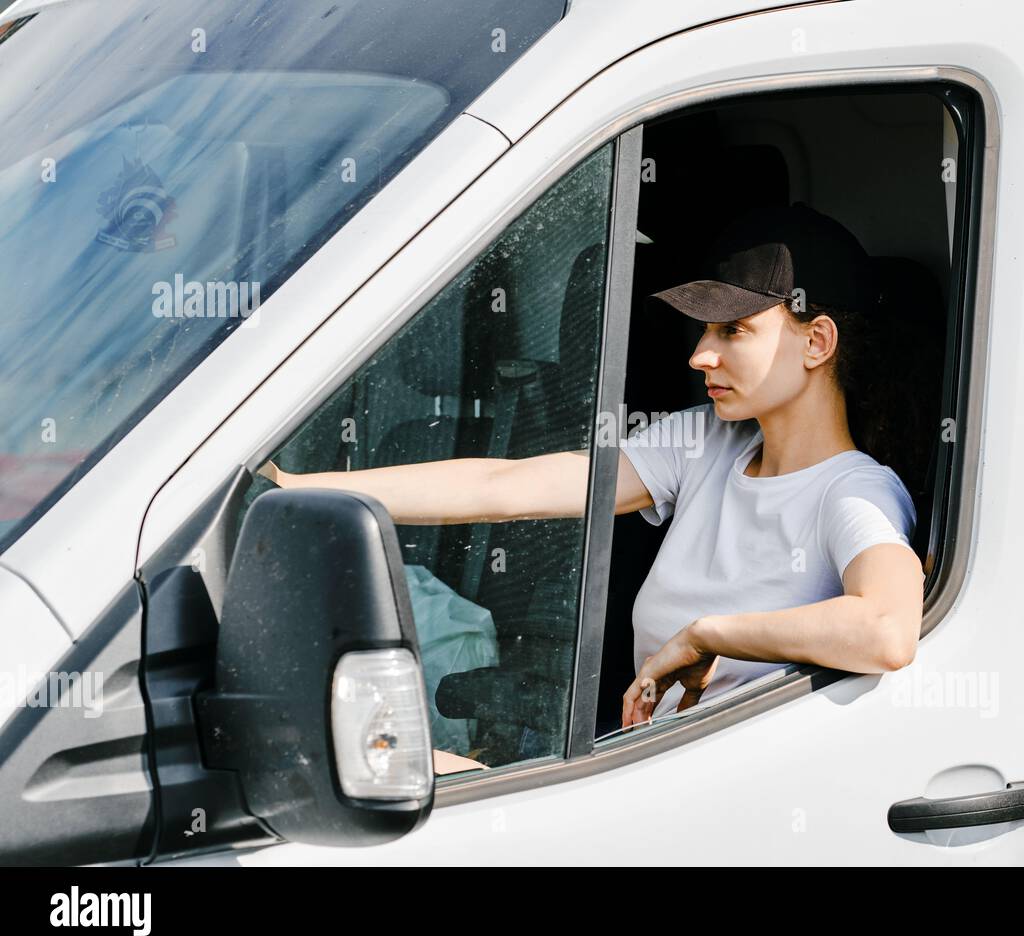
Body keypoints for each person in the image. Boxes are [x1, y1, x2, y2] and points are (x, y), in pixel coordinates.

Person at [259, 202, 934, 733]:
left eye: (732, 331)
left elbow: (885, 630)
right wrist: (300, 488)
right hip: (643, 759)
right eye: (704, 331)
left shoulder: (854, 492)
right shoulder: (708, 442)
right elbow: (508, 488)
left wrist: (710, 635)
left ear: (817, 341)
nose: (701, 356)